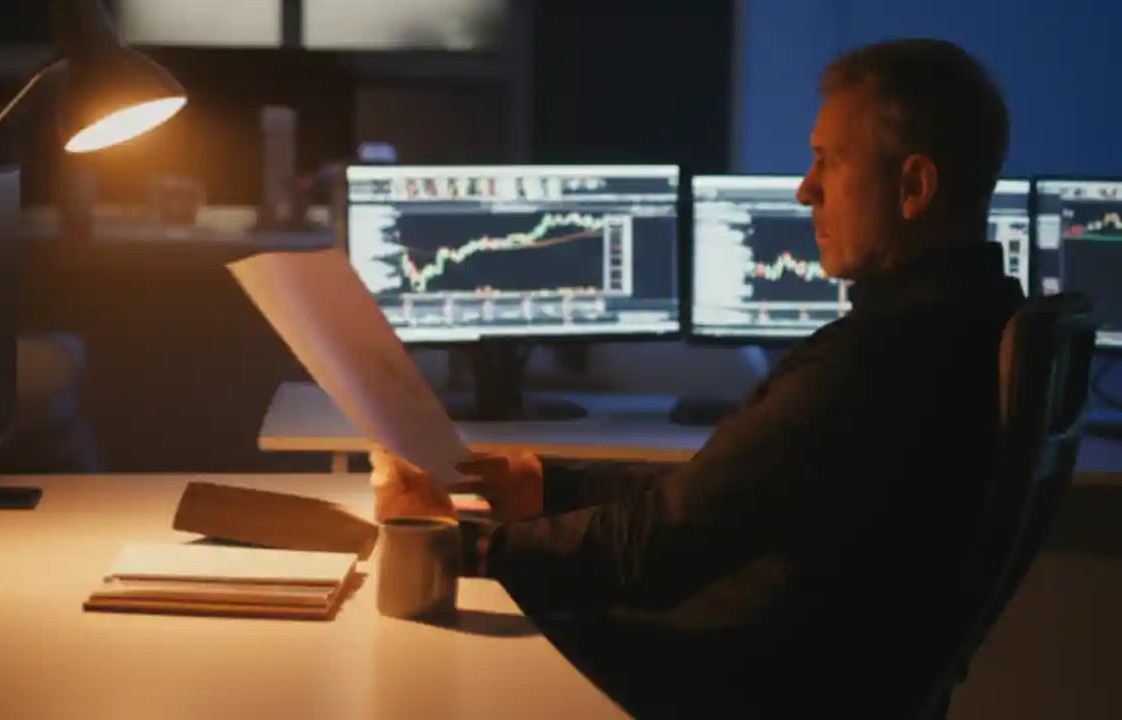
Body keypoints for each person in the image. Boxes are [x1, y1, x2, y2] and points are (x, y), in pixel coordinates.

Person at [371, 38, 1021, 719]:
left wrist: (446, 541)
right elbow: (715, 500)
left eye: (829, 161)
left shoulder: (876, 362)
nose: (806, 189)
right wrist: (541, 483)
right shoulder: (971, 326)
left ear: (914, 187)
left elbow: (654, 549)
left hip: (732, 685)